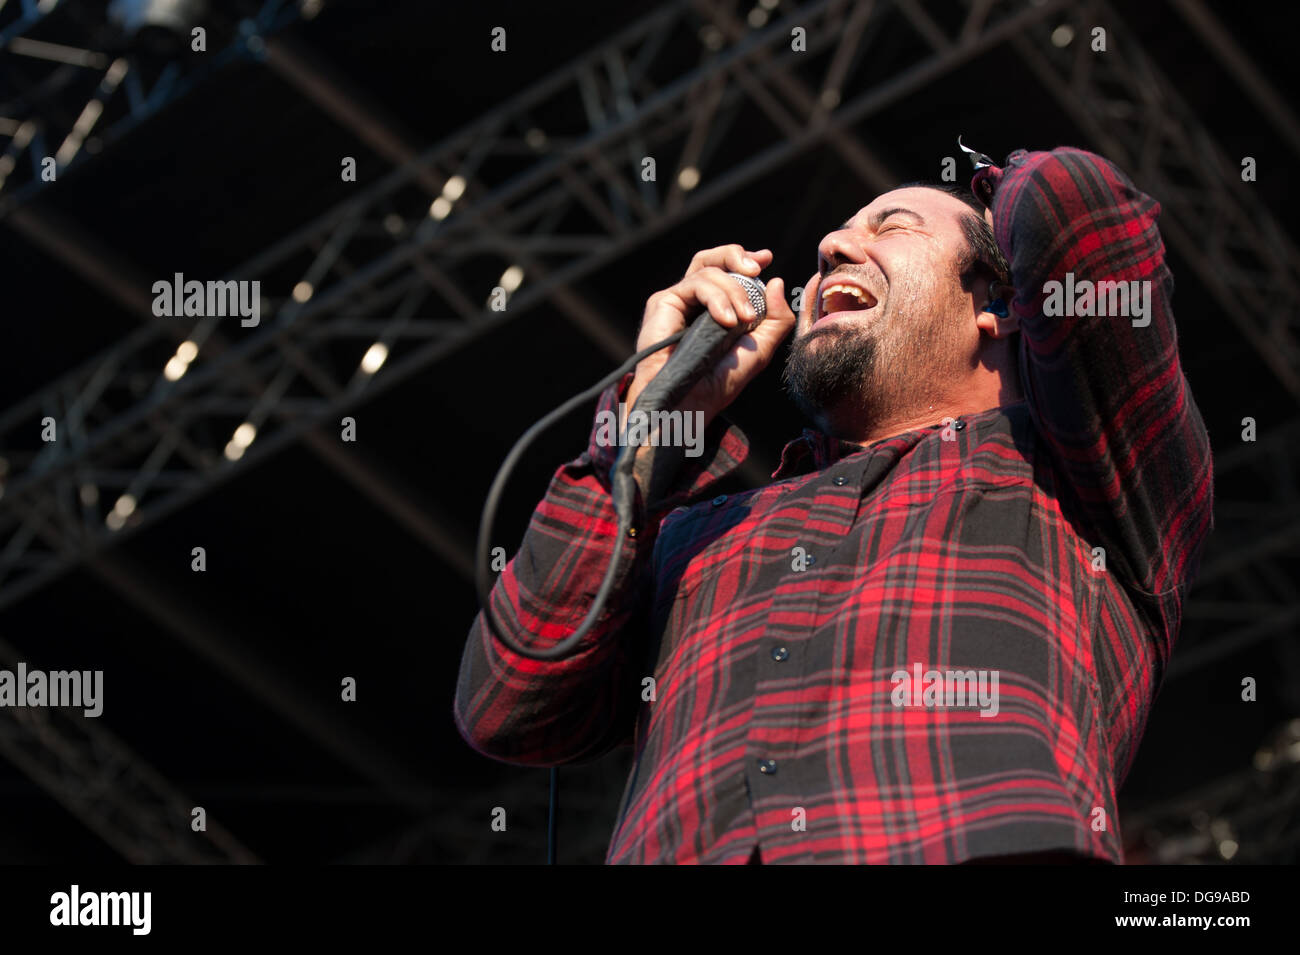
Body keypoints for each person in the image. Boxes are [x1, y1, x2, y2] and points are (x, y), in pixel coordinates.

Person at [454, 145, 1215, 864]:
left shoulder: (1075, 474)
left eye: (893, 226)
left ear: (1002, 305)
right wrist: (652, 427)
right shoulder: (694, 531)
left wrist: (986, 180)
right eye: (841, 231)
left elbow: (1076, 208)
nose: (831, 246)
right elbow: (508, 701)